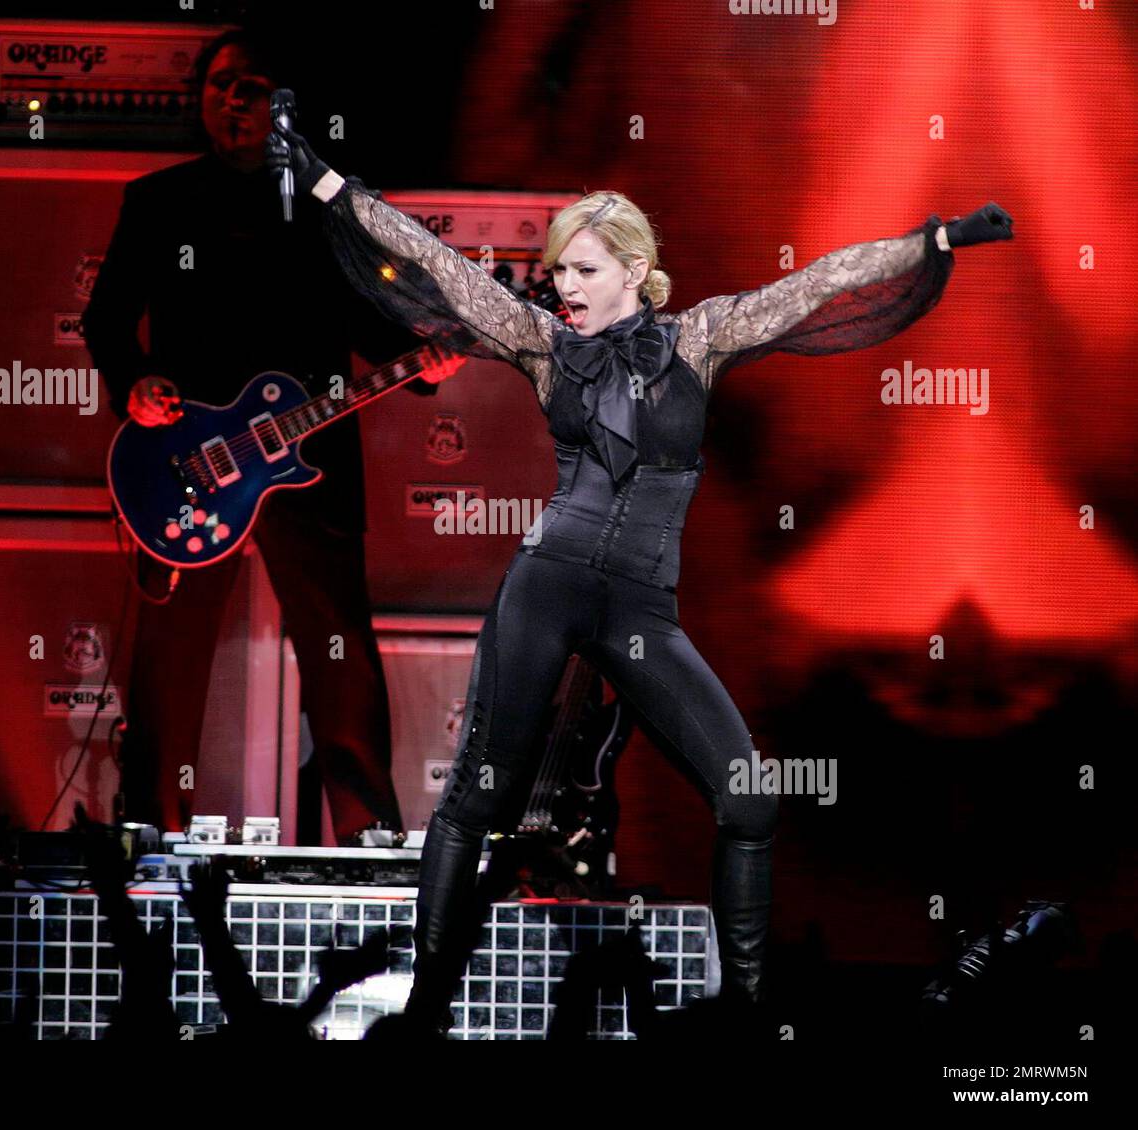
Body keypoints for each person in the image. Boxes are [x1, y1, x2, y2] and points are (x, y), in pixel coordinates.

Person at [268, 121, 1013, 1035]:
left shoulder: (702, 339)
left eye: (581, 270)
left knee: (748, 796)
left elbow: (821, 281)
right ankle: (427, 1011)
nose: (562, 286)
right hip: (546, 586)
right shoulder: (540, 341)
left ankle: (745, 1016)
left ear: (633, 269)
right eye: (558, 272)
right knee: (481, 799)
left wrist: (931, 241)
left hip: (641, 609)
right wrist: (329, 184)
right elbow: (435, 260)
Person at [84, 30, 432, 844]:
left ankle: (369, 843)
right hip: (186, 461)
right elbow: (105, 319)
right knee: (168, 660)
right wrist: (133, 386)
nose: (234, 99)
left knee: (339, 648)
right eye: (219, 85)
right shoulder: (159, 201)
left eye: (253, 84)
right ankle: (150, 838)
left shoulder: (327, 205)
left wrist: (425, 360)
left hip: (306, 459)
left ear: (286, 104)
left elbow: (366, 321)